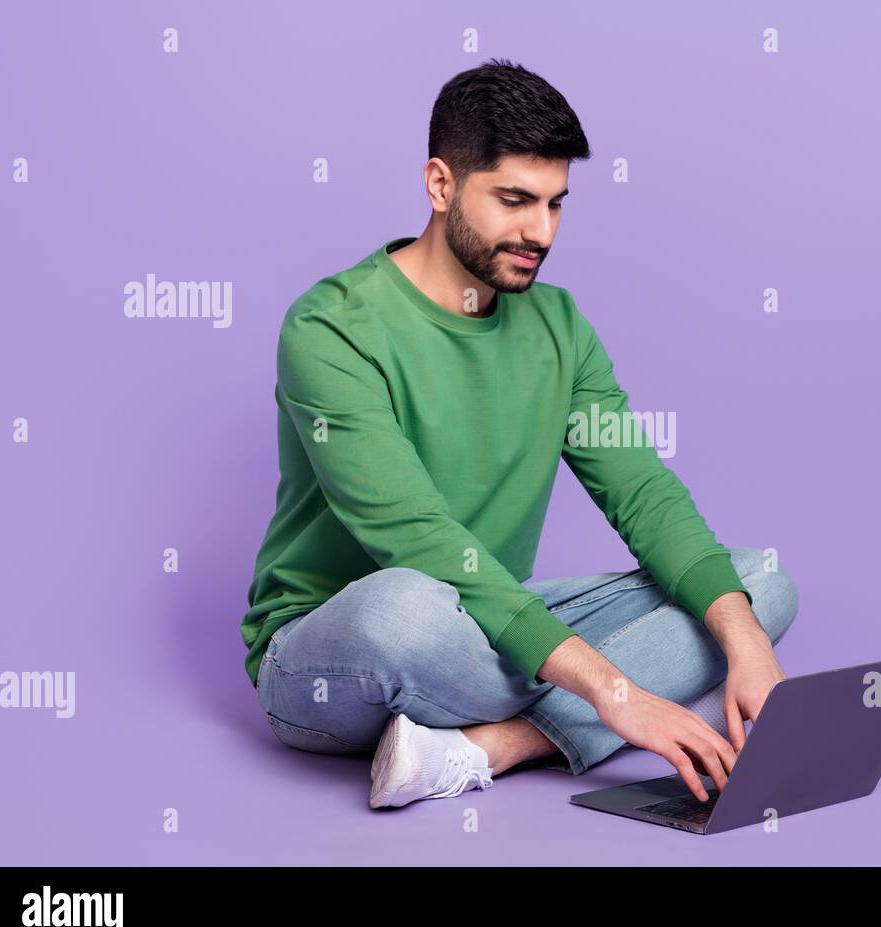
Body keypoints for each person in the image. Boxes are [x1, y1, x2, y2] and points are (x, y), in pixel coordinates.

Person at [239, 58, 799, 811]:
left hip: (494, 623)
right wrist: (616, 689)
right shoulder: (332, 329)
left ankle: (488, 747)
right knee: (403, 604)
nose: (540, 231)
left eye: (556, 204)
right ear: (440, 185)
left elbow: (644, 495)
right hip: (335, 652)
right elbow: (422, 540)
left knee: (755, 585)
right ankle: (586, 714)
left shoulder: (559, 326)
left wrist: (746, 644)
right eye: (514, 200)